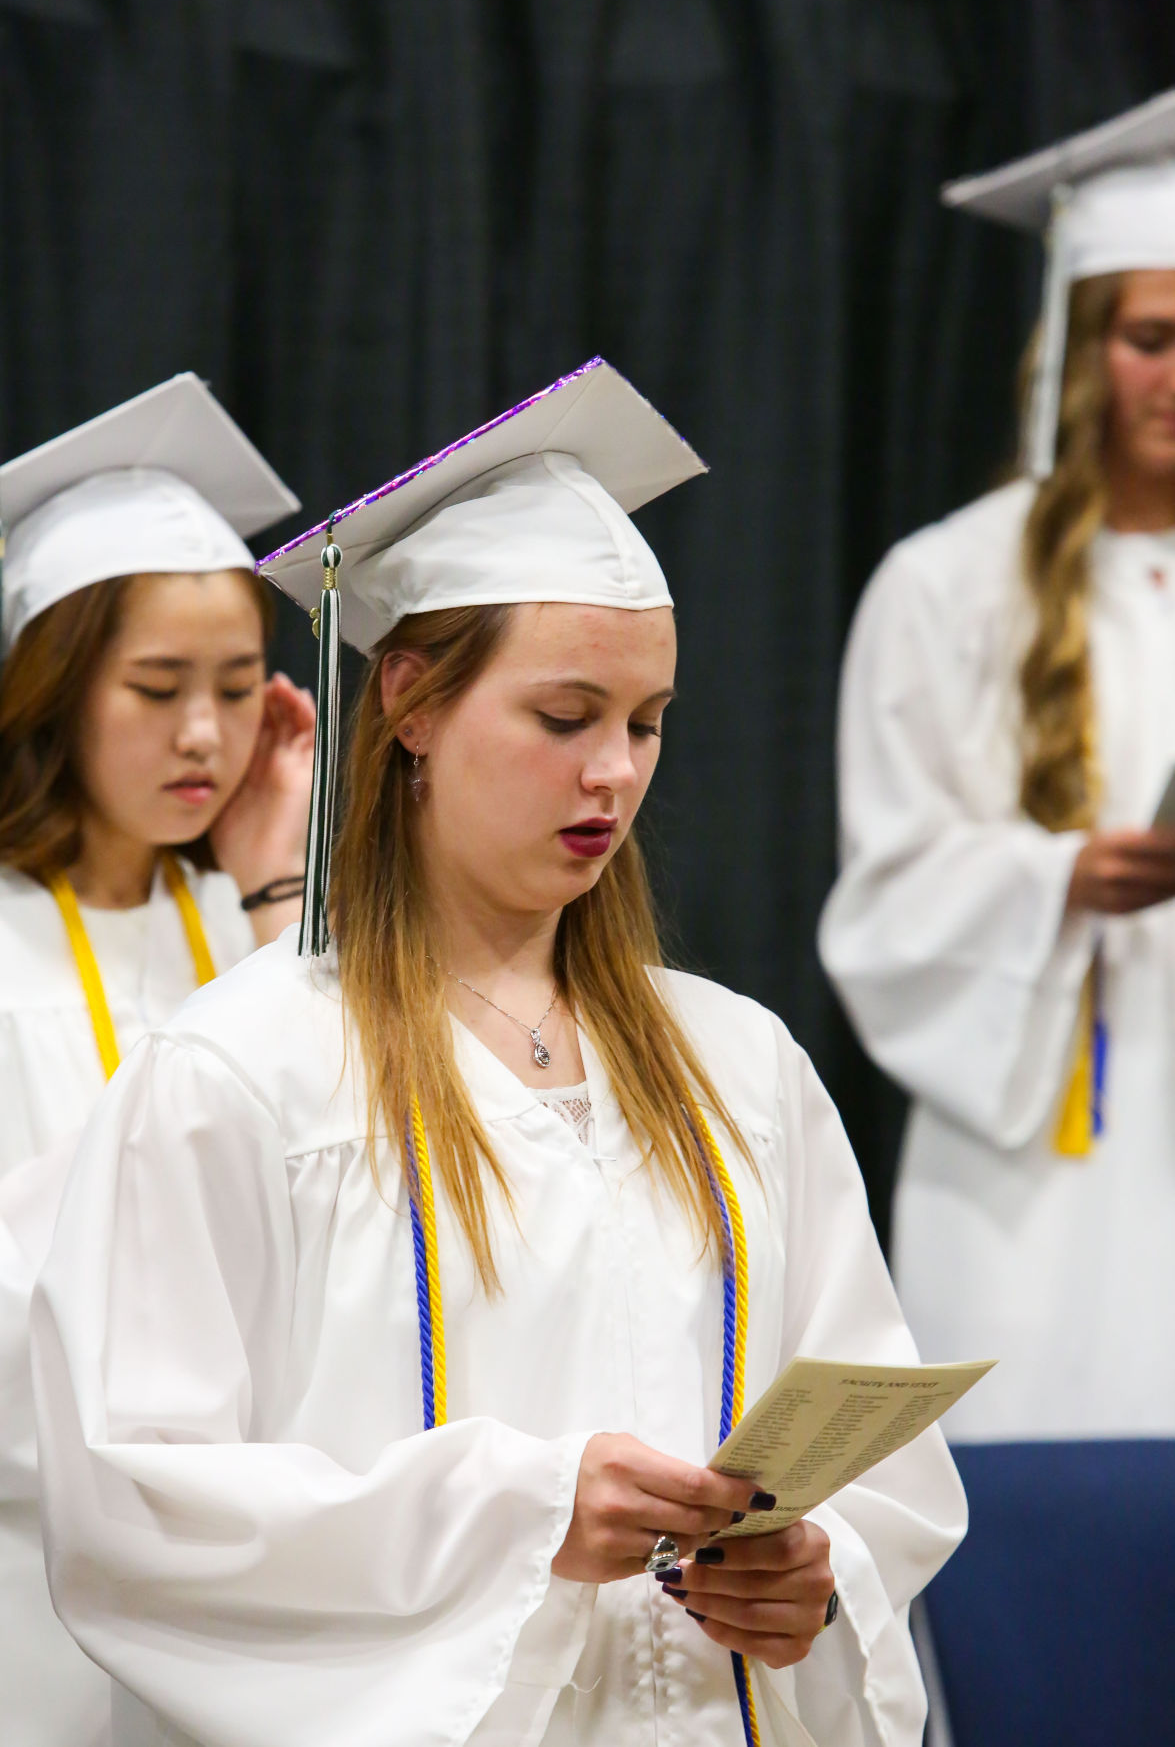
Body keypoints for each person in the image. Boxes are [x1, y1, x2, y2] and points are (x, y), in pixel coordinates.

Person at [32, 359, 965, 1747]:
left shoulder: (738, 1065)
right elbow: (139, 1506)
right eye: (565, 715)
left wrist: (818, 1584)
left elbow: (886, 1485)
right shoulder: (245, 1072)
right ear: (408, 702)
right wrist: (529, 1513)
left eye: (646, 723)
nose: (615, 776)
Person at [819, 93, 1175, 1746]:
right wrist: (1059, 880)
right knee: (1049, 1644)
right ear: (1080, 345)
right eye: (1152, 337)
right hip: (1040, 1182)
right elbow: (879, 907)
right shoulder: (947, 587)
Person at [0, 374, 313, 1747]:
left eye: (240, 688)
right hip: (36, 1569)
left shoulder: (240, 915)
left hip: (263, 1572)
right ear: (56, 689)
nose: (206, 734)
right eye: (159, 687)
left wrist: (275, 893)